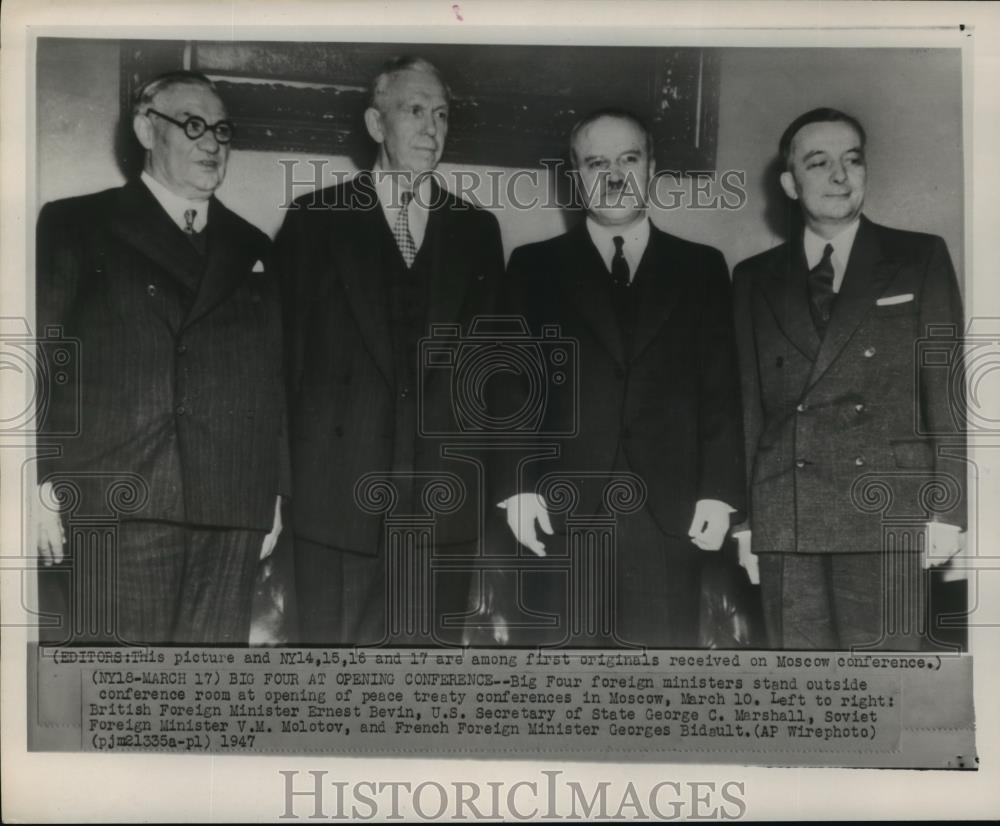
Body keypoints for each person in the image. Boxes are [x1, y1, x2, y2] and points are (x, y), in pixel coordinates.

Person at [35, 70, 286, 645]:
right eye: (193, 125)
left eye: (222, 130)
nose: (212, 142)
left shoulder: (254, 246)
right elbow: (41, 359)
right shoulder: (77, 223)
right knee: (122, 684)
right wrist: (35, 481)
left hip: (231, 506)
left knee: (208, 689)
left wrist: (274, 495)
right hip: (119, 499)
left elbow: (273, 377)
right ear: (147, 130)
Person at [276, 56, 505, 645]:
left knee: (426, 689)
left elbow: (493, 377)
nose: (432, 128)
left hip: (443, 512)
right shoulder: (314, 221)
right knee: (327, 686)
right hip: (334, 510)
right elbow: (282, 369)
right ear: (376, 124)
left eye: (442, 115)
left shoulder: (477, 232)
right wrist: (278, 490)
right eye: (415, 110)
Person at [498, 109, 746, 648]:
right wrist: (517, 488)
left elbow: (722, 389)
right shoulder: (532, 266)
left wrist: (718, 494)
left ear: (652, 167)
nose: (613, 176)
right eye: (596, 163)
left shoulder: (702, 268)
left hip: (668, 518)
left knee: (658, 687)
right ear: (575, 176)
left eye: (628, 159)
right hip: (559, 514)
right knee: (557, 687)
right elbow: (510, 388)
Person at [732, 108, 967, 650]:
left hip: (889, 509)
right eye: (819, 163)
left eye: (852, 160)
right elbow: (746, 408)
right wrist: (746, 523)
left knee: (886, 684)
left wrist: (948, 510)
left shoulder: (919, 256)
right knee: (802, 688)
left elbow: (947, 393)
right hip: (787, 513)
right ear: (790, 184)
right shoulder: (753, 278)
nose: (840, 175)